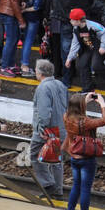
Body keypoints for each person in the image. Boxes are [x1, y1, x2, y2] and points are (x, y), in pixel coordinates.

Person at [64, 91, 105, 210]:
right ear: (81, 107)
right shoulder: (86, 122)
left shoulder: (66, 117)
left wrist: (85, 100)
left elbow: (76, 107)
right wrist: (102, 103)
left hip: (74, 156)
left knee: (76, 185)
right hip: (87, 158)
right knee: (85, 188)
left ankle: (70, 209)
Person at [30, 58, 67, 199]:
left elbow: (44, 112)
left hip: (46, 131)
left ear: (40, 73)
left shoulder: (43, 88)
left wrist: (41, 128)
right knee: (56, 160)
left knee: (34, 155)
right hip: (60, 128)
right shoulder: (60, 85)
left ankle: (48, 184)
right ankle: (58, 191)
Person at [64, 8, 105, 93]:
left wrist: (103, 46)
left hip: (99, 48)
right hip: (88, 49)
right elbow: (75, 44)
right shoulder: (76, 29)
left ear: (78, 21)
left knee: (96, 66)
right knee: (82, 64)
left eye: (72, 20)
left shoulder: (93, 26)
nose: (70, 21)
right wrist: (69, 58)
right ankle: (88, 87)